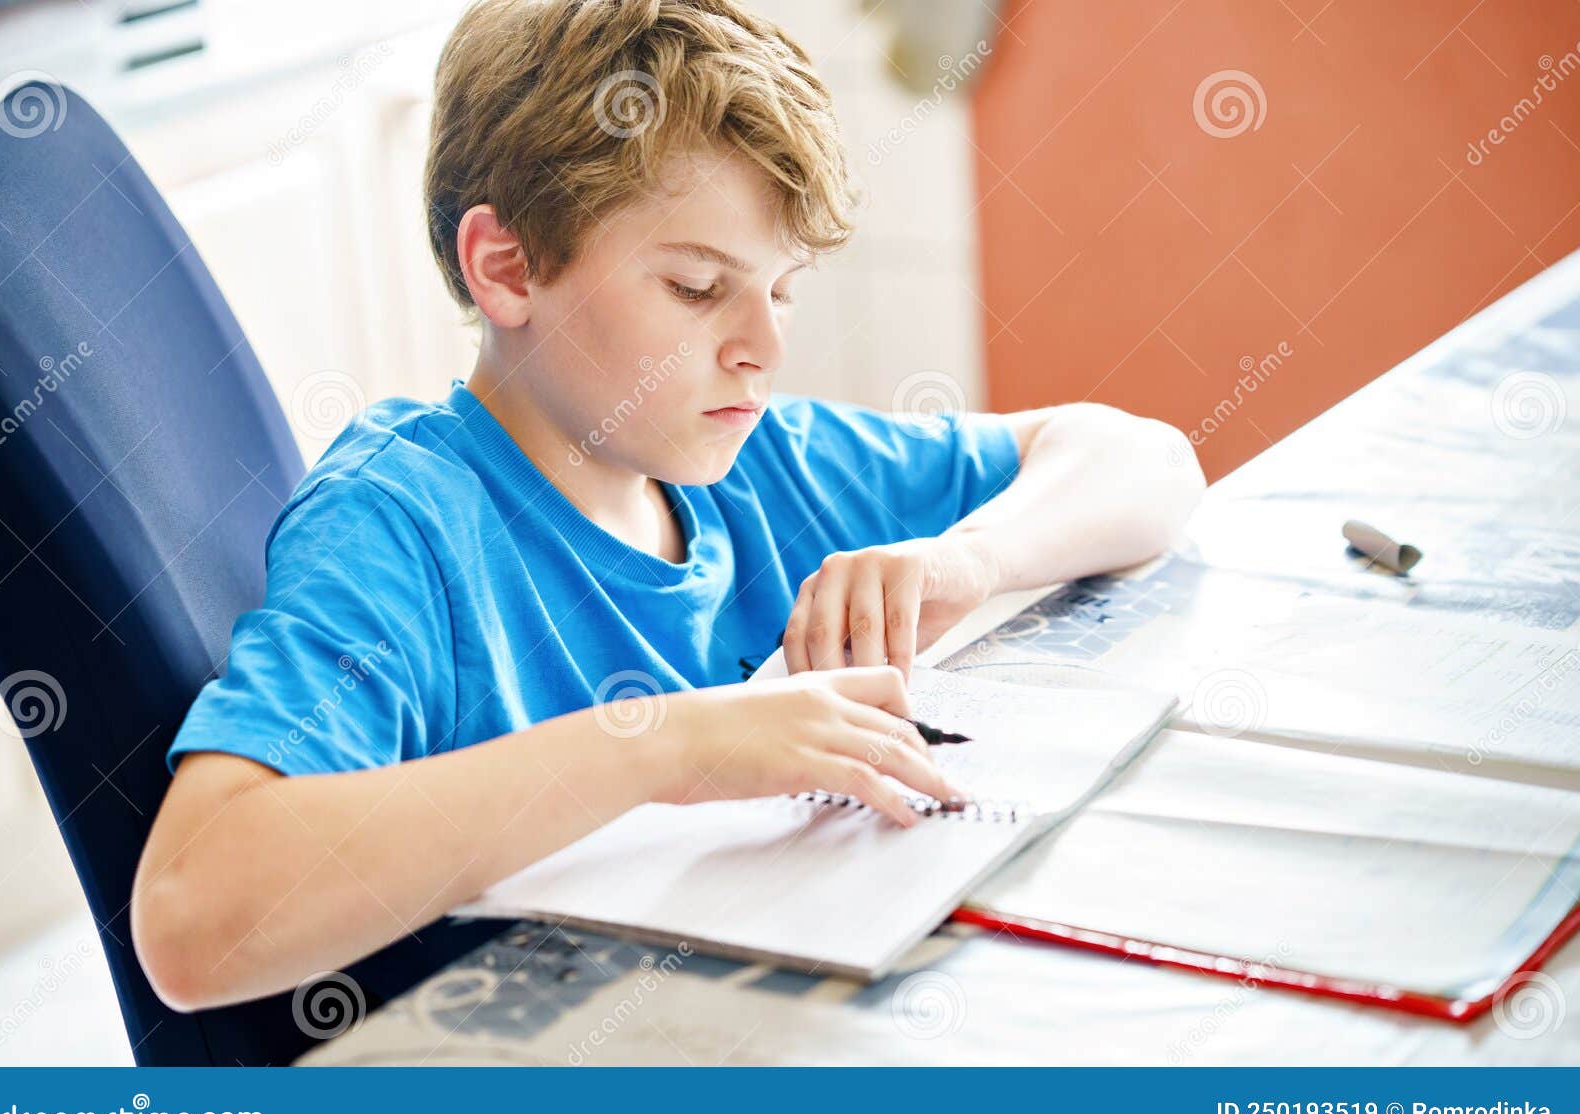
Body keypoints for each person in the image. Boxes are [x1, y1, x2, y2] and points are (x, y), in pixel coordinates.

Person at [132, 0, 1204, 1013]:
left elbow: (1144, 460)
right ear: (506, 268)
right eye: (697, 288)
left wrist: (965, 559)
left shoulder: (750, 459)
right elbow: (191, 918)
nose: (765, 346)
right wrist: (663, 744)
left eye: (780, 290)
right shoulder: (401, 527)